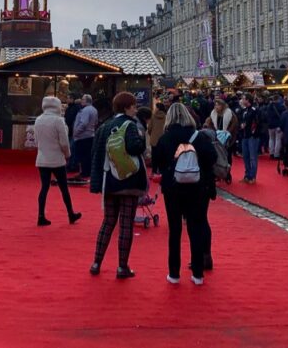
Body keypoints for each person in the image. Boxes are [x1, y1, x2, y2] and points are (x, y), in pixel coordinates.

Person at [153, 102, 217, 285]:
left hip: (173, 188)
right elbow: (211, 157)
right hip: (198, 187)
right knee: (195, 227)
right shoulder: (198, 136)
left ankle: (174, 273)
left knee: (175, 230)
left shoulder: (166, 137)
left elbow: (157, 161)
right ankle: (197, 273)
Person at [89, 91, 147, 278]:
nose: (136, 109)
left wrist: (97, 182)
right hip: (128, 181)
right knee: (125, 225)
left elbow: (96, 154)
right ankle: (122, 267)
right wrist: (142, 137)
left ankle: (96, 262)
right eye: (134, 106)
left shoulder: (105, 126)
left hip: (109, 181)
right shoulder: (130, 125)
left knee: (108, 222)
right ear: (127, 107)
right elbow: (135, 148)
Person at [33, 95, 82, 226]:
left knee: (44, 187)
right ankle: (70, 213)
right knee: (64, 188)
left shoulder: (38, 120)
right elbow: (64, 143)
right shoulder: (59, 121)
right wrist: (67, 154)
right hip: (56, 159)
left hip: (42, 158)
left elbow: (36, 141)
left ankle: (41, 215)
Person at [238, 94, 264, 183]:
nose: (242, 100)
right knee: (245, 157)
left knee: (253, 157)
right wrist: (241, 125)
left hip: (252, 136)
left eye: (243, 99)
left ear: (248, 100)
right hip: (244, 136)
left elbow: (258, 122)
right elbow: (241, 120)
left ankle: (252, 176)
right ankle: (247, 175)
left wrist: (253, 131)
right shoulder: (244, 110)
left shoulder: (255, 110)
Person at [72, 94, 98, 180]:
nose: (81, 101)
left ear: (87, 101)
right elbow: (96, 122)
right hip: (90, 135)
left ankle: (84, 172)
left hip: (83, 136)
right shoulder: (94, 109)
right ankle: (87, 172)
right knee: (88, 155)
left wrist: (76, 132)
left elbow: (83, 123)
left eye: (83, 99)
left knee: (83, 156)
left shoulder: (86, 110)